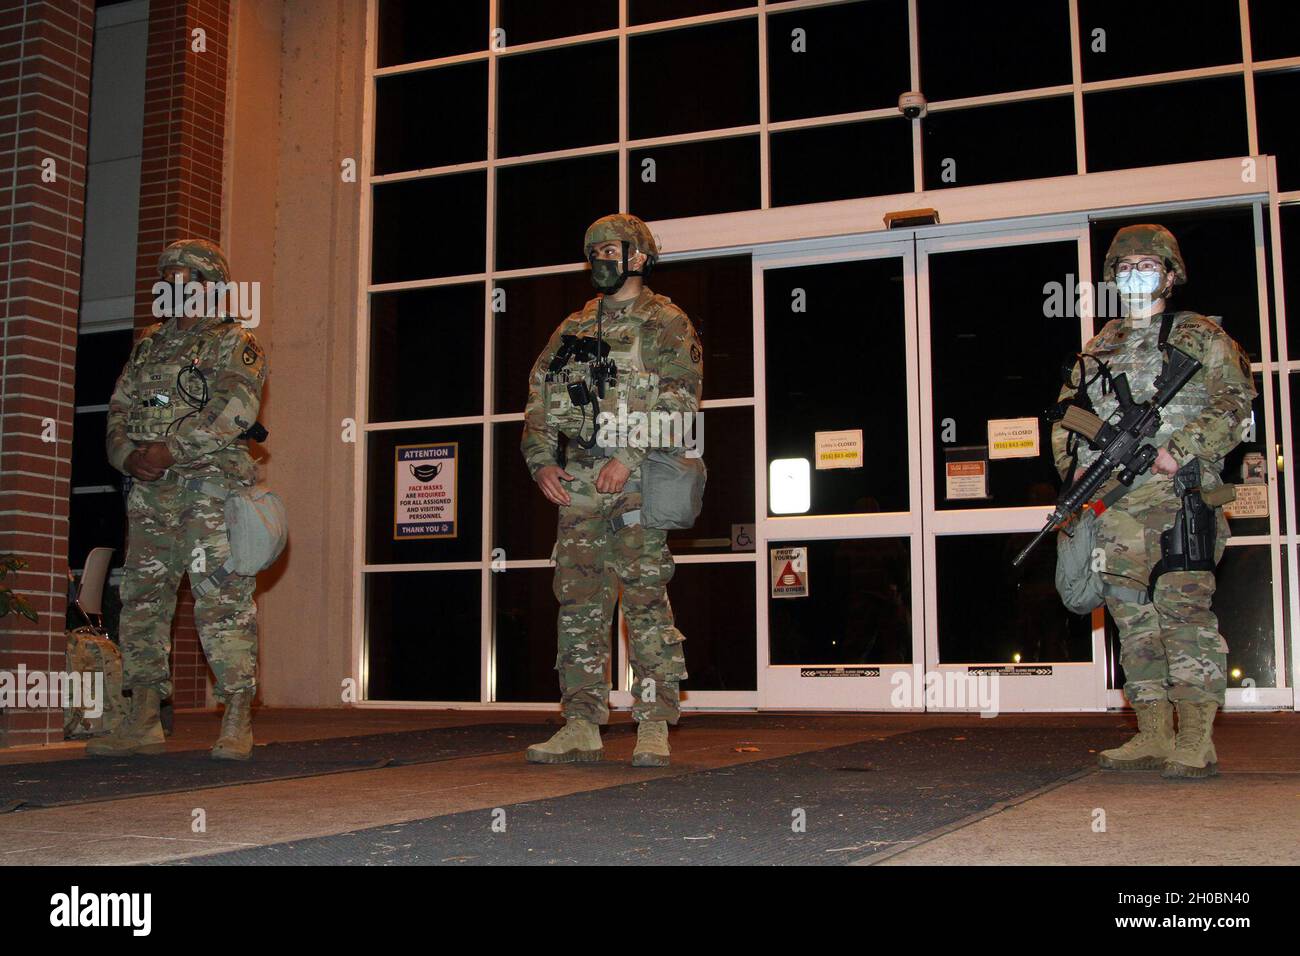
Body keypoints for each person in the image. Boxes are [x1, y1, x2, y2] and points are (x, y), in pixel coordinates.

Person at [1051, 224, 1255, 778]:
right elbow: (1069, 419)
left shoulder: (1203, 336)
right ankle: (1152, 733)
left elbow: (1238, 406)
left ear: (1169, 274)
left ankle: (1195, 741)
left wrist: (1180, 449)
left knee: (1183, 613)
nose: (1134, 274)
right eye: (1124, 267)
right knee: (1130, 618)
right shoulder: (1101, 344)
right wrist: (1077, 483)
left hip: (1179, 496)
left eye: (1147, 265)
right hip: (1114, 506)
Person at [521, 213, 702, 767]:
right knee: (578, 605)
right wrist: (540, 462)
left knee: (645, 601)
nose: (598, 259)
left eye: (609, 251)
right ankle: (580, 723)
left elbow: (681, 402)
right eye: (591, 251)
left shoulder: (665, 322)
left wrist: (628, 456)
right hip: (578, 484)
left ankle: (652, 724)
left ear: (638, 258)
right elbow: (540, 395)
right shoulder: (573, 326)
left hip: (638, 481)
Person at [88, 239, 268, 761]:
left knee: (222, 600)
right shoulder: (148, 344)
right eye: (165, 276)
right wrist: (128, 456)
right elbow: (119, 406)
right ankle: (143, 716)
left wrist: (173, 448)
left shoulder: (234, 340)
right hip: (150, 494)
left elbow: (238, 408)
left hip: (208, 489)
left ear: (210, 285)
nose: (171, 285)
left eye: (183, 276)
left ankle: (236, 715)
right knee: (143, 598)